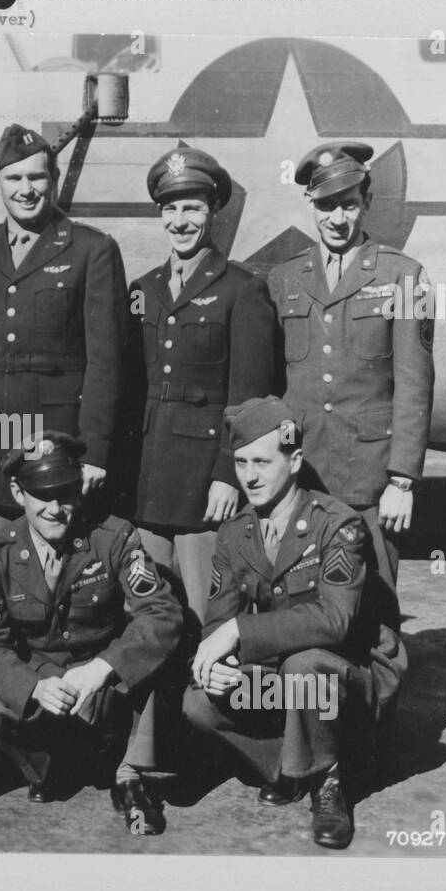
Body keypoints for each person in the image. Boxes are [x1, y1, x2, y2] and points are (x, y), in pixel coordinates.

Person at [182, 396, 405, 849]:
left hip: (347, 680)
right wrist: (219, 662)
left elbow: (336, 619)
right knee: (199, 700)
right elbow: (218, 622)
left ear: (295, 460)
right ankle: (288, 765)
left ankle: (330, 782)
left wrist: (239, 634)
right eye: (241, 462)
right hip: (282, 684)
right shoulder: (235, 533)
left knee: (305, 667)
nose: (249, 476)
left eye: (263, 462)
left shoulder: (337, 525)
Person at [0, 433, 184, 835]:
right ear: (19, 492)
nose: (55, 508)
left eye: (65, 493)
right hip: (44, 687)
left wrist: (101, 668)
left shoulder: (112, 537)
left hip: (102, 686)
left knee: (153, 650)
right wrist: (34, 687)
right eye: (41, 495)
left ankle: (131, 776)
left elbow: (162, 612)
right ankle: (48, 766)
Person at [268, 141, 435, 632]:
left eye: (348, 203)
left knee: (374, 615)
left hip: (370, 479)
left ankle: (376, 706)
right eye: (325, 205)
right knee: (301, 610)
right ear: (309, 205)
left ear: (366, 201)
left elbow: (414, 383)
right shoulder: (283, 279)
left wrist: (402, 479)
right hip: (303, 477)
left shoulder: (404, 276)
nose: (337, 218)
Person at [129, 146, 279, 622]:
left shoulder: (242, 289)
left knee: (204, 611)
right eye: (170, 209)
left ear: (213, 210)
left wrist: (226, 475)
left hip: (203, 487)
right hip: (146, 481)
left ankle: (202, 699)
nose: (180, 221)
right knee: (148, 613)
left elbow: (249, 399)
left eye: (192, 207)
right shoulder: (142, 290)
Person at [0, 124, 128, 533]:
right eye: (13, 178)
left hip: (60, 446)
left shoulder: (91, 250)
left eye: (36, 177)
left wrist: (95, 452)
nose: (26, 189)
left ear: (53, 181)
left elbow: (105, 363)